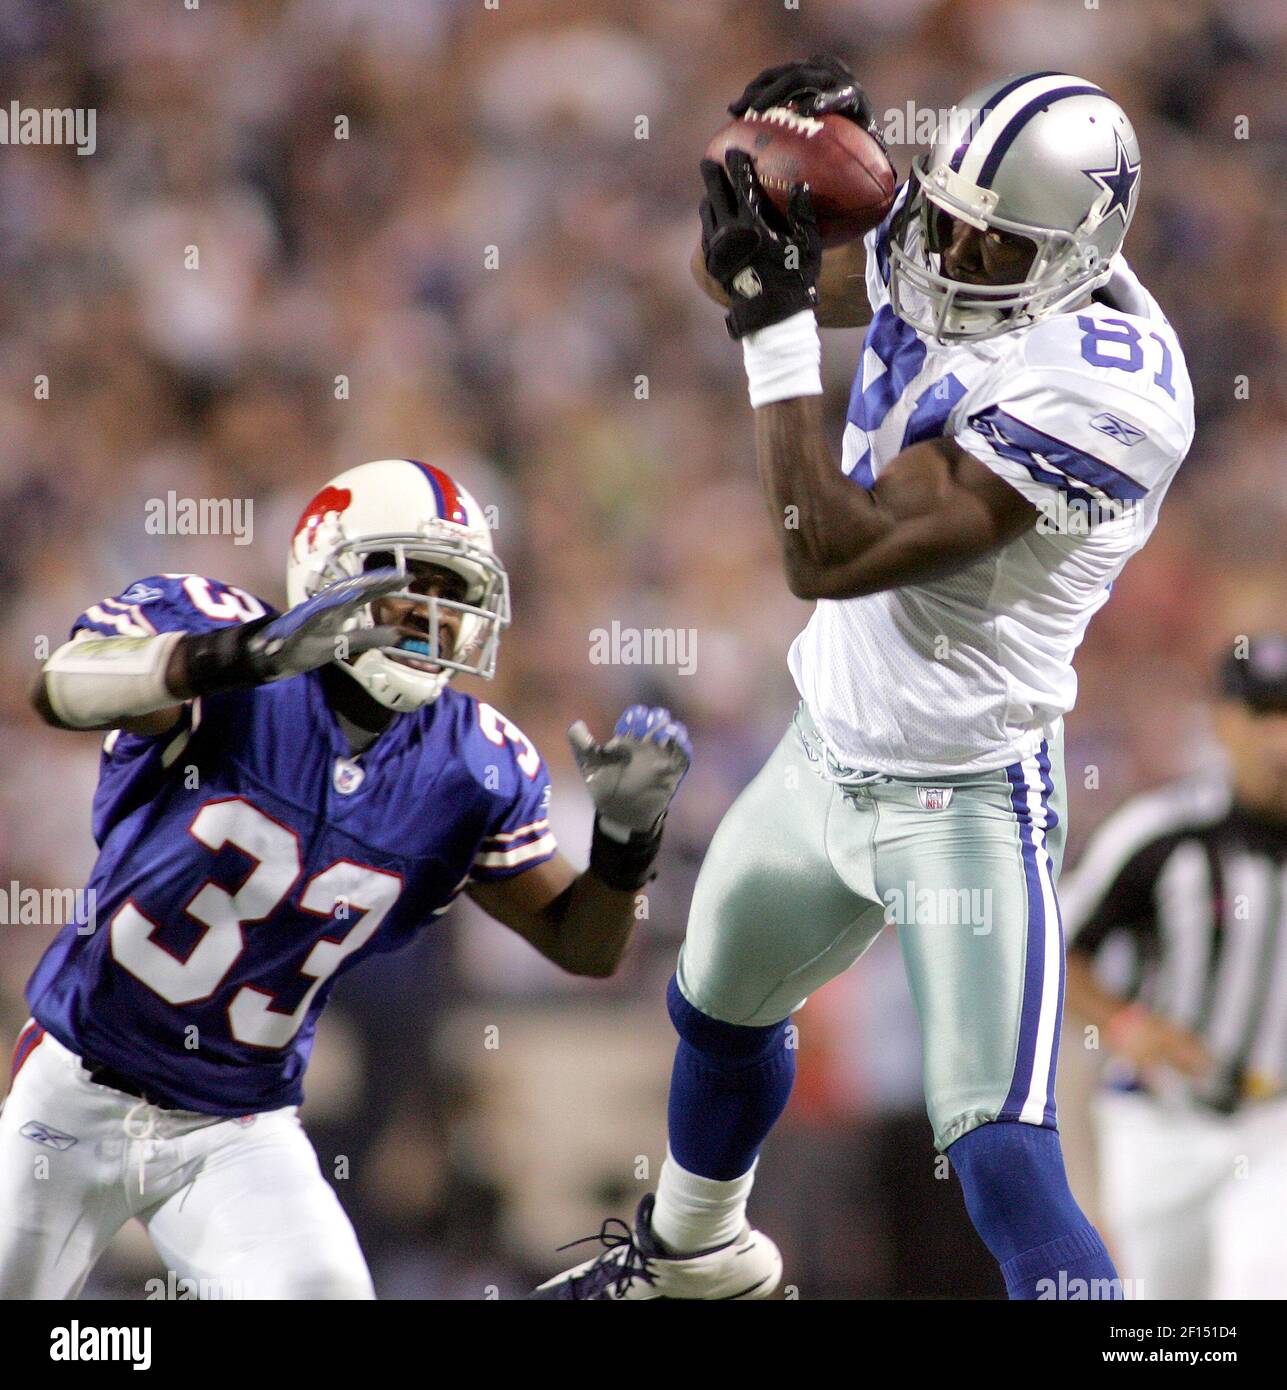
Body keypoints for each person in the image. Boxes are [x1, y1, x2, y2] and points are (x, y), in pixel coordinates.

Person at [534, 57, 1193, 1300]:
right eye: (940, 218)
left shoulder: (1110, 389)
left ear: (1068, 255)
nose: (945, 257)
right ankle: (694, 1262)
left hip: (964, 793)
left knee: (1000, 1154)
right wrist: (769, 181)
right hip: (828, 743)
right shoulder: (961, 231)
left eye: (987, 248)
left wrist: (775, 329)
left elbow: (825, 551)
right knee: (715, 1008)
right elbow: (733, 270)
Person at [0, 456, 691, 1300]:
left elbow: (583, 947)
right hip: (76, 1088)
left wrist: (625, 843)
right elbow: (61, 686)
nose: (439, 618)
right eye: (417, 583)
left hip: (239, 1127)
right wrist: (243, 655)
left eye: (458, 594)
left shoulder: (468, 765)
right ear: (334, 569)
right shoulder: (224, 655)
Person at [1063, 635, 1287, 1299]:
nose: (1279, 740)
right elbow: (1057, 950)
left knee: (1260, 1279)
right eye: (1262, 715)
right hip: (1160, 1122)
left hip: (1273, 1123)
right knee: (1163, 1314)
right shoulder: (1161, 835)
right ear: (1221, 721)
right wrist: (1125, 1024)